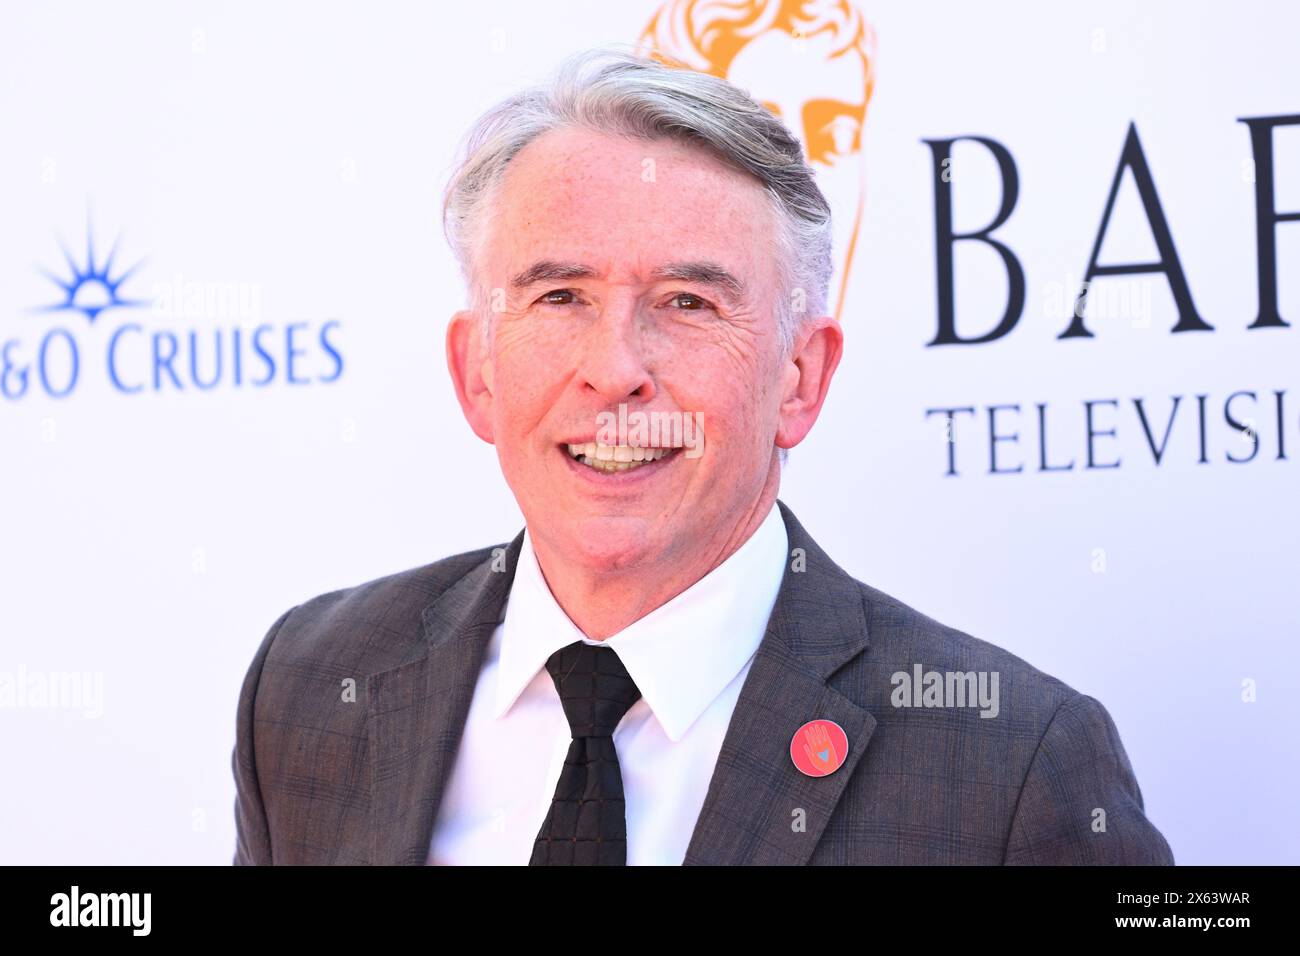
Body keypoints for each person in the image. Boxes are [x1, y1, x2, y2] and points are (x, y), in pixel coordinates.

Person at [232, 47, 1174, 866]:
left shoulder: (1008, 766)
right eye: (559, 296)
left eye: (689, 303)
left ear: (800, 378)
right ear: (476, 371)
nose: (615, 370)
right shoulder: (313, 685)